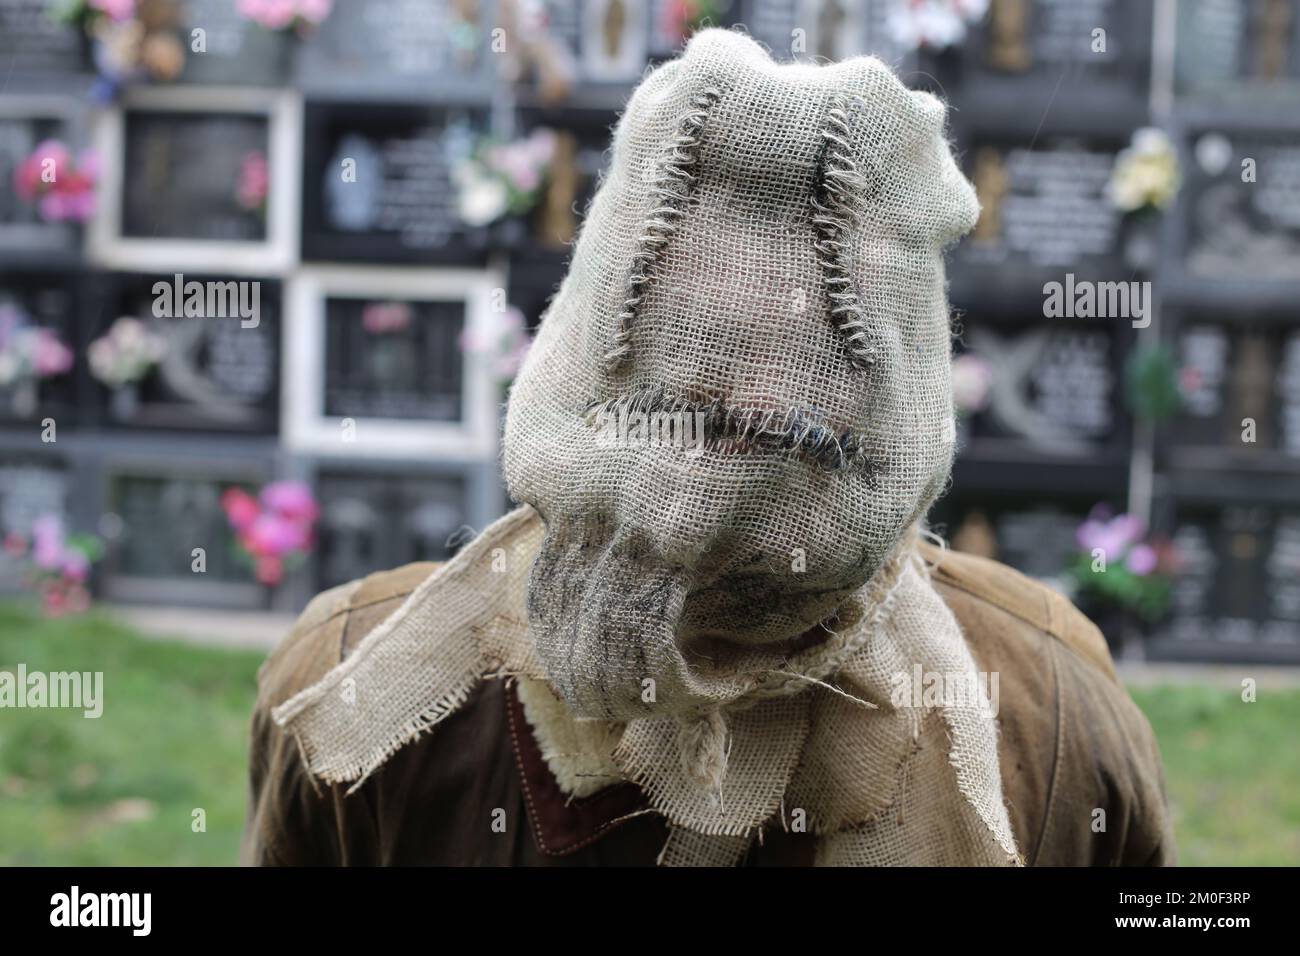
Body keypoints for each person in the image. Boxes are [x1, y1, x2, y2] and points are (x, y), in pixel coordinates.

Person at [241, 29, 1175, 867]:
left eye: (804, 370)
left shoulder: (1048, 708)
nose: (742, 425)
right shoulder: (365, 689)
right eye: (698, 366)